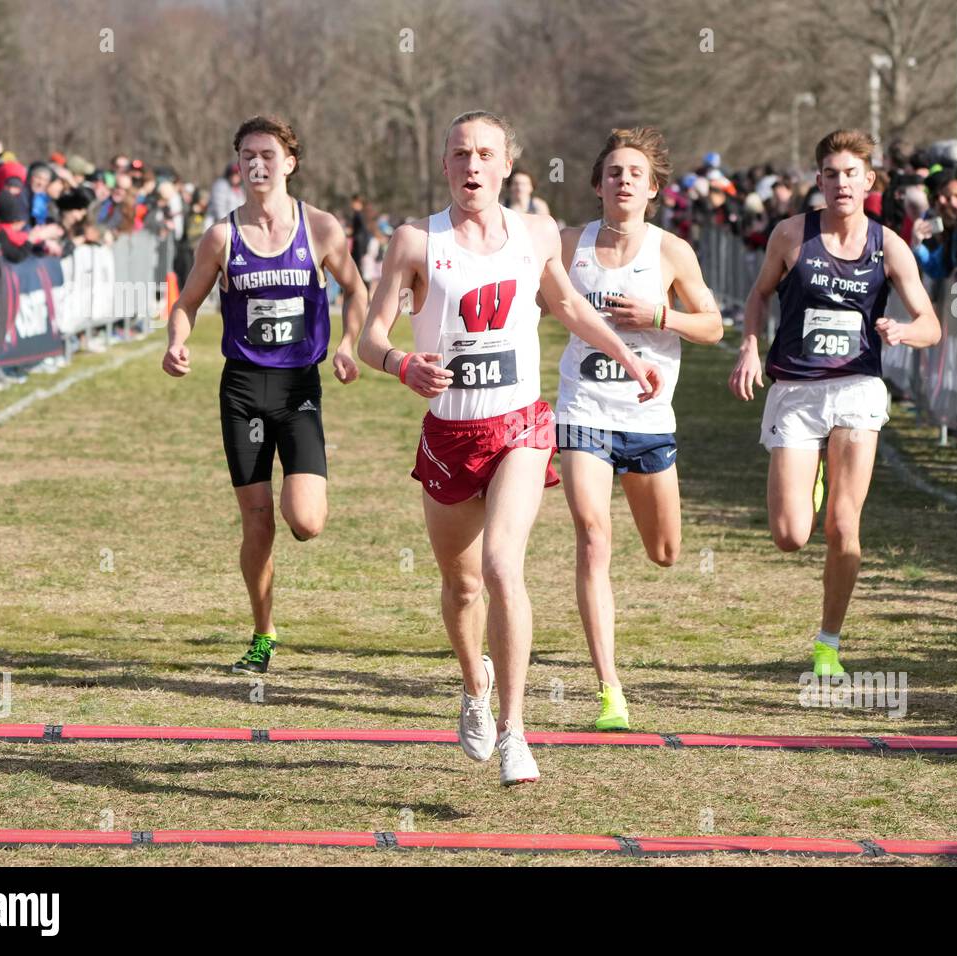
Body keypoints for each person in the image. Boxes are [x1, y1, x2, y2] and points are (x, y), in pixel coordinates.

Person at [356, 110, 662, 785]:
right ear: (445, 165)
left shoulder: (535, 234)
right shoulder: (414, 242)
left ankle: (517, 731)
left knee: (501, 567)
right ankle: (474, 686)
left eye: (485, 154)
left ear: (504, 166)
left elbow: (572, 308)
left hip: (520, 426)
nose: (472, 166)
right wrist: (403, 365)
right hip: (449, 435)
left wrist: (629, 356)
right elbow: (367, 337)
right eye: (460, 153)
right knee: (462, 587)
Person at [728, 129, 940, 679]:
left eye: (851, 173)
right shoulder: (792, 235)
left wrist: (903, 331)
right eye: (831, 173)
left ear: (869, 181)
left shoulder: (887, 245)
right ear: (819, 180)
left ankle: (828, 645)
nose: (841, 183)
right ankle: (810, 476)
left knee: (843, 525)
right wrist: (750, 346)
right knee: (790, 535)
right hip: (796, 391)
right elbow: (758, 295)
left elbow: (932, 324)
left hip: (856, 388)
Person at [161, 115, 368, 674]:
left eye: (268, 155)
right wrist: (177, 342)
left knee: (306, 521)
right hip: (244, 389)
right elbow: (185, 303)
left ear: (290, 163)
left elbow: (355, 289)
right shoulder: (221, 237)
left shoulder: (321, 229)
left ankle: (303, 489)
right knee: (258, 522)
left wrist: (348, 343)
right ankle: (263, 631)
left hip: (299, 386)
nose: (257, 165)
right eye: (247, 155)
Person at [555, 127, 722, 730]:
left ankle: (610, 681)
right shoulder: (568, 243)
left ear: (652, 190)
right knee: (593, 536)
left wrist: (660, 315)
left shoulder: (670, 251)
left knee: (665, 552)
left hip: (648, 419)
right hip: (583, 411)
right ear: (598, 185)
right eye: (613, 172)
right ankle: (609, 691)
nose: (623, 180)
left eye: (635, 174)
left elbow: (713, 328)